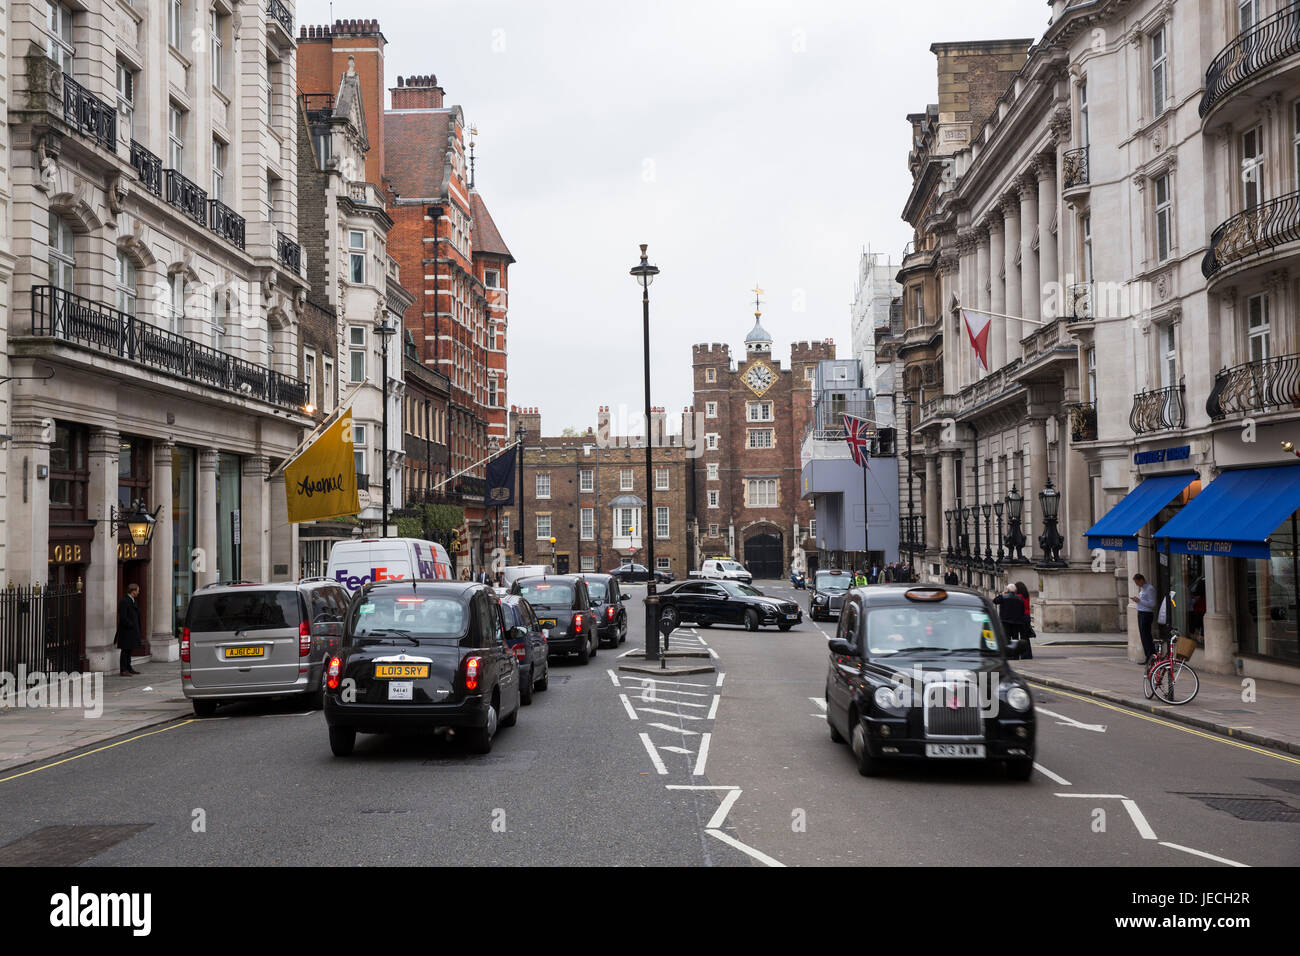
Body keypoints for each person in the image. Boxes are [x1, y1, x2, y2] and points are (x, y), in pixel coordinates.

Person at [114, 583, 143, 677]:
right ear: (133, 591)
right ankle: (123, 670)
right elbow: (123, 617)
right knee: (125, 650)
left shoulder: (133, 600)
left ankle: (128, 667)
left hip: (132, 630)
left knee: (130, 650)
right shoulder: (124, 601)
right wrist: (131, 625)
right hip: (126, 631)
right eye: (137, 590)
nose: (138, 592)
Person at [993, 583, 1027, 658]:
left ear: (1008, 590)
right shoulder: (1019, 598)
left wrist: (1002, 594)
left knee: (1006, 637)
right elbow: (1022, 611)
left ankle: (1008, 655)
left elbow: (995, 601)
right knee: (1015, 638)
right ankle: (1015, 655)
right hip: (1016, 621)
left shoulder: (1003, 597)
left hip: (1005, 621)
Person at [1130, 573, 1157, 664]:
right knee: (1143, 637)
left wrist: (1139, 601)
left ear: (1142, 580)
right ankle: (1148, 657)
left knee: (1147, 636)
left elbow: (1152, 604)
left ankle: (1151, 656)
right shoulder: (1143, 589)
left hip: (1146, 614)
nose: (1137, 584)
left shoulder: (1150, 589)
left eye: (1137, 582)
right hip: (1141, 613)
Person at [1014, 581, 1034, 659]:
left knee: (1021, 637)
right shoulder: (1026, 595)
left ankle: (1023, 654)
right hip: (1027, 616)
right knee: (1026, 637)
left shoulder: (1018, 596)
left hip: (1021, 617)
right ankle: (1028, 654)